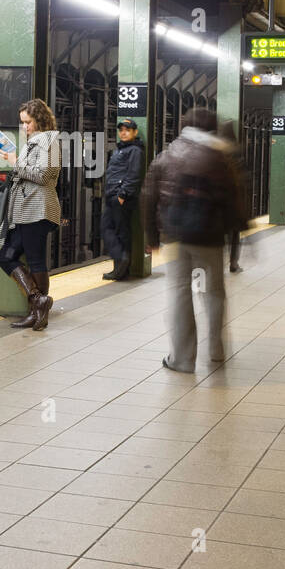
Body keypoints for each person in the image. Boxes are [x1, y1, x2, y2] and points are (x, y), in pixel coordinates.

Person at [141, 107, 239, 372]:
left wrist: (151, 236)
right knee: (214, 293)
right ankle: (216, 351)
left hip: (174, 236)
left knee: (179, 292)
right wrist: (236, 238)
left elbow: (149, 196)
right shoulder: (218, 158)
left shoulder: (168, 153)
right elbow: (232, 199)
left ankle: (182, 360)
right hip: (210, 237)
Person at [0, 98, 61, 330]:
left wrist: (14, 163)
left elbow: (44, 175)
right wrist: (12, 160)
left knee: (34, 260)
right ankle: (38, 304)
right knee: (6, 256)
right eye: (22, 123)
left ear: (40, 120)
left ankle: (38, 311)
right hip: (26, 210)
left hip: (38, 208)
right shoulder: (34, 142)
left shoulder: (49, 141)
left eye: (28, 122)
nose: (25, 127)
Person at [101, 117, 144, 280]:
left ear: (135, 132)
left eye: (127, 130)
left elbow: (134, 175)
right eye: (121, 130)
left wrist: (122, 195)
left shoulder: (135, 150)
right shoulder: (120, 150)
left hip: (121, 197)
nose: (123, 133)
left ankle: (121, 265)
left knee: (120, 231)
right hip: (113, 195)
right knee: (108, 229)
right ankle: (121, 264)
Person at [219, 120, 251, 271]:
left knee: (219, 234)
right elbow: (244, 179)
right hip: (233, 202)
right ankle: (233, 263)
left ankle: (218, 262)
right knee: (234, 235)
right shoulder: (237, 153)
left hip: (218, 203)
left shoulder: (214, 152)